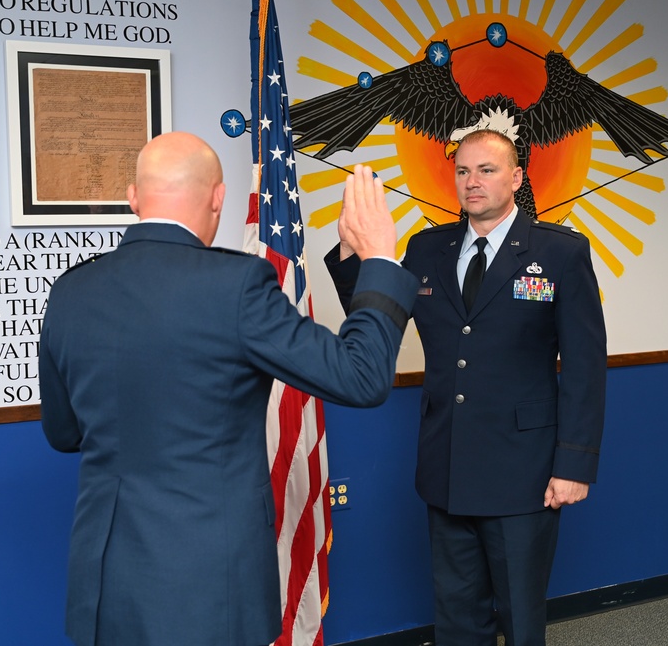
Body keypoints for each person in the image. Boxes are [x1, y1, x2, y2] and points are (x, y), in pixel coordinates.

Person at [39, 131, 418, 646]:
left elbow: (63, 434)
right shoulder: (236, 285)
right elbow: (362, 376)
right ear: (219, 198)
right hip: (210, 577)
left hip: (106, 575)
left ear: (133, 197)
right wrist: (377, 258)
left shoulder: (70, 291)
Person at [325, 129, 607, 646]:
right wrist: (352, 250)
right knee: (456, 617)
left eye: (486, 170)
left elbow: (586, 366)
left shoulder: (560, 252)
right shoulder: (428, 249)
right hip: (447, 464)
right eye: (462, 171)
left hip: (524, 473)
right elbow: (376, 312)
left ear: (518, 178)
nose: (471, 182)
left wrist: (574, 466)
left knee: (521, 617)